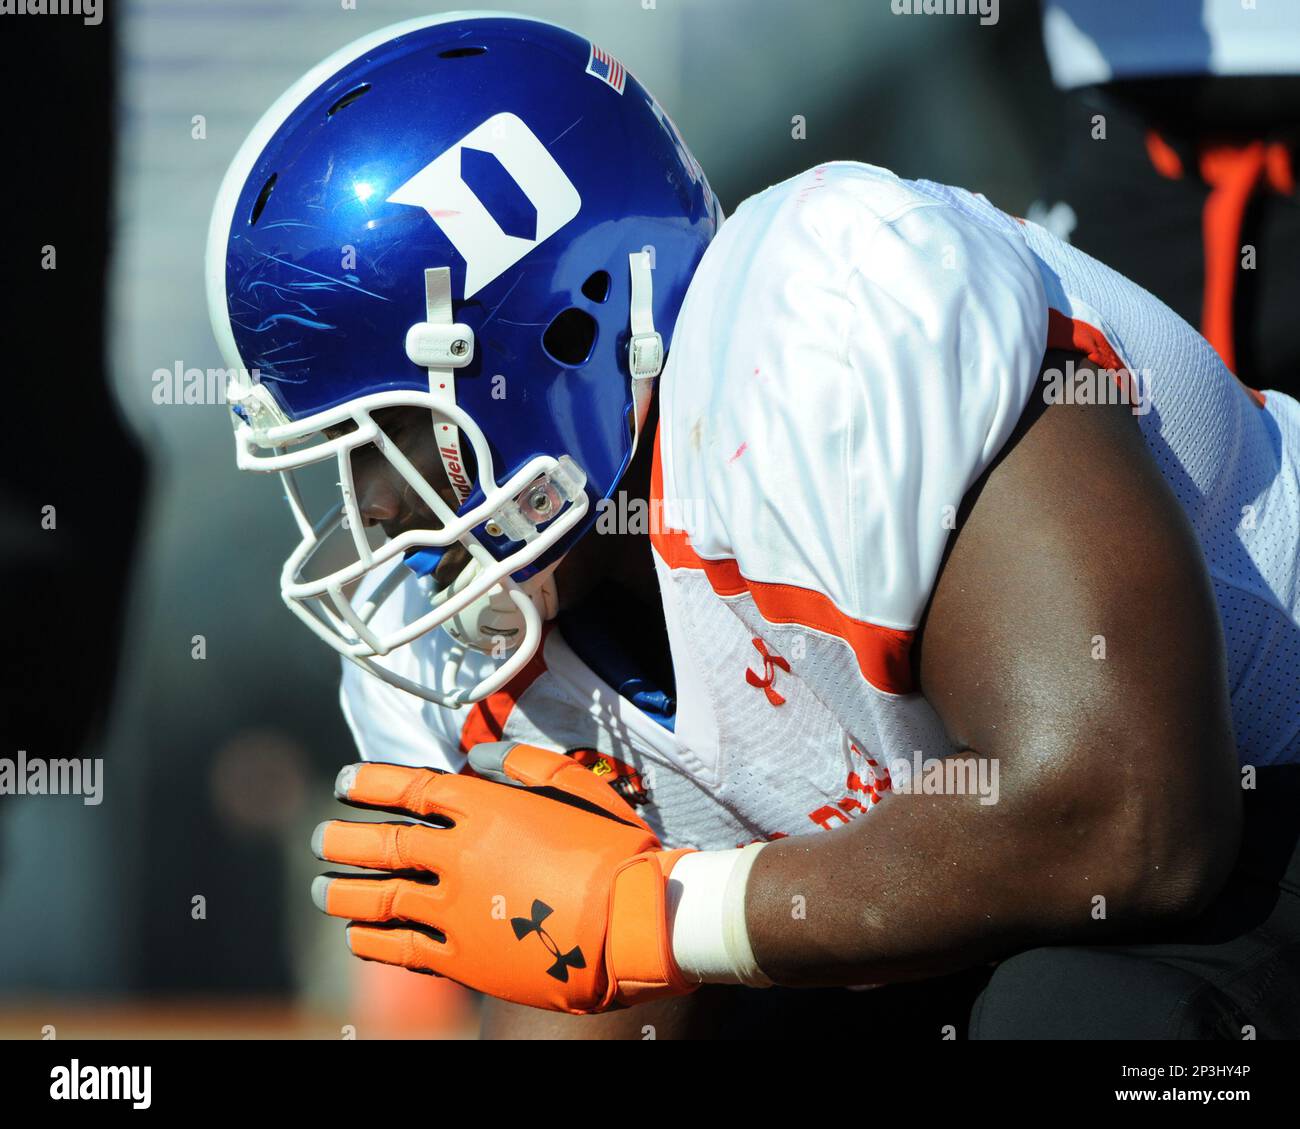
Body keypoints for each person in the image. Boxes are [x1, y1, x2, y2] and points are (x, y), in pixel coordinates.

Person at [207, 13, 1300, 1037]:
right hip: (1000, 901)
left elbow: (1131, 822)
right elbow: (614, 982)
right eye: (345, 457)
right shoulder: (463, 641)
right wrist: (605, 941)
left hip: (1251, 802)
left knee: (1077, 1016)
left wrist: (660, 910)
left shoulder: (824, 319)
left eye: (391, 434)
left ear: (565, 330)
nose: (382, 509)